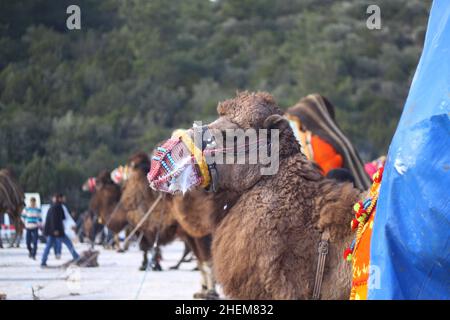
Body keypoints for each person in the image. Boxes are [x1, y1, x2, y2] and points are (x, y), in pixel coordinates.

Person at [41, 194, 79, 267]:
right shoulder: (57, 207)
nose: (64, 199)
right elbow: (54, 220)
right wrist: (56, 230)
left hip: (53, 231)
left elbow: (61, 219)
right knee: (68, 243)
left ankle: (43, 261)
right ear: (59, 198)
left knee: (48, 246)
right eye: (62, 198)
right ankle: (76, 257)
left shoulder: (55, 206)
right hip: (56, 231)